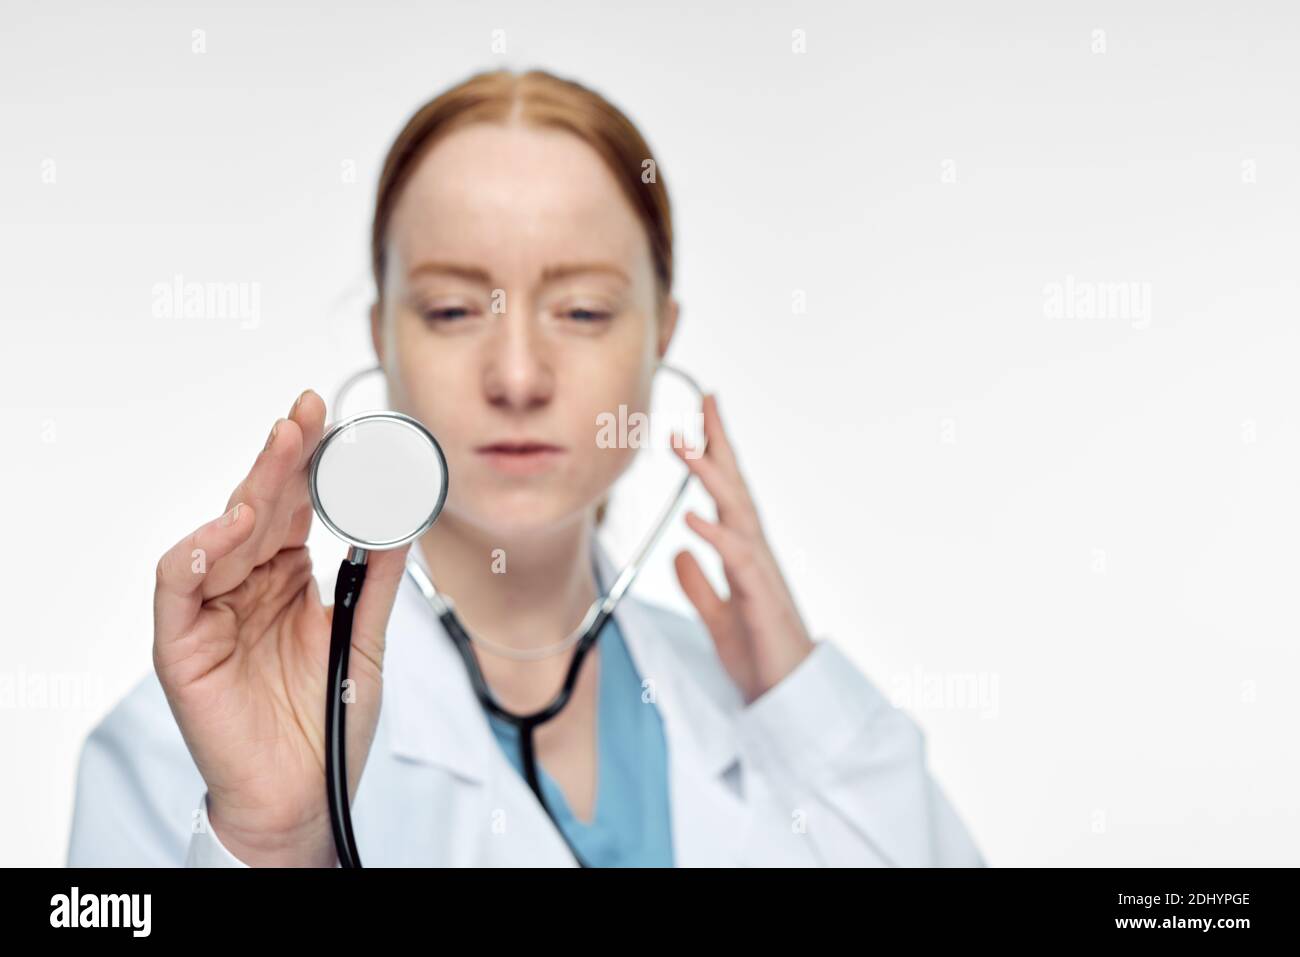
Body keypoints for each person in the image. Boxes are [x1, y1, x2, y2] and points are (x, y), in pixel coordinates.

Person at [67, 68, 984, 867]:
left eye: (583, 311)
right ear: (381, 337)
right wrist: (269, 843)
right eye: (454, 310)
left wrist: (802, 704)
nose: (516, 376)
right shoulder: (200, 732)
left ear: (661, 338)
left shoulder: (763, 710)